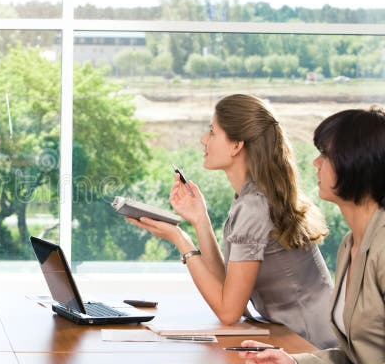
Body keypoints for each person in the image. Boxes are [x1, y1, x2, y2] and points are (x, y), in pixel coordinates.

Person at [127, 94, 336, 348]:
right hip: (297, 340)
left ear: (237, 145)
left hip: (313, 347)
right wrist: (200, 220)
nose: (204, 140)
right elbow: (228, 287)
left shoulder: (253, 206)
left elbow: (228, 312)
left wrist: (180, 241)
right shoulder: (251, 197)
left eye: (212, 133)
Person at [232, 107, 385, 364]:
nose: (315, 163)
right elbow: (363, 358)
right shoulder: (352, 243)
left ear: (356, 163)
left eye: (325, 155)